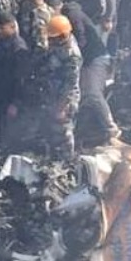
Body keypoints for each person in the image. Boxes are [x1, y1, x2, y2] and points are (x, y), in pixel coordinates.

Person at [62, 2, 120, 147]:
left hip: (96, 59)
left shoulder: (73, 17)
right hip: (86, 60)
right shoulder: (67, 17)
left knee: (92, 93)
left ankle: (111, 127)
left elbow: (82, 41)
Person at [39, 13, 82, 157]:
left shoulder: (72, 55)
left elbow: (69, 84)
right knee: (50, 130)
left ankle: (66, 161)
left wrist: (61, 106)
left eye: (53, 38)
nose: (50, 41)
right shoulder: (58, 44)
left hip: (65, 99)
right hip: (52, 92)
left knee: (63, 131)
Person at [0, 14, 31, 150]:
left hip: (10, 97)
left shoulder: (19, 49)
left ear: (12, 27)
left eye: (2, 27)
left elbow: (22, 79)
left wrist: (15, 103)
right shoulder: (1, 44)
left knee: (9, 134)